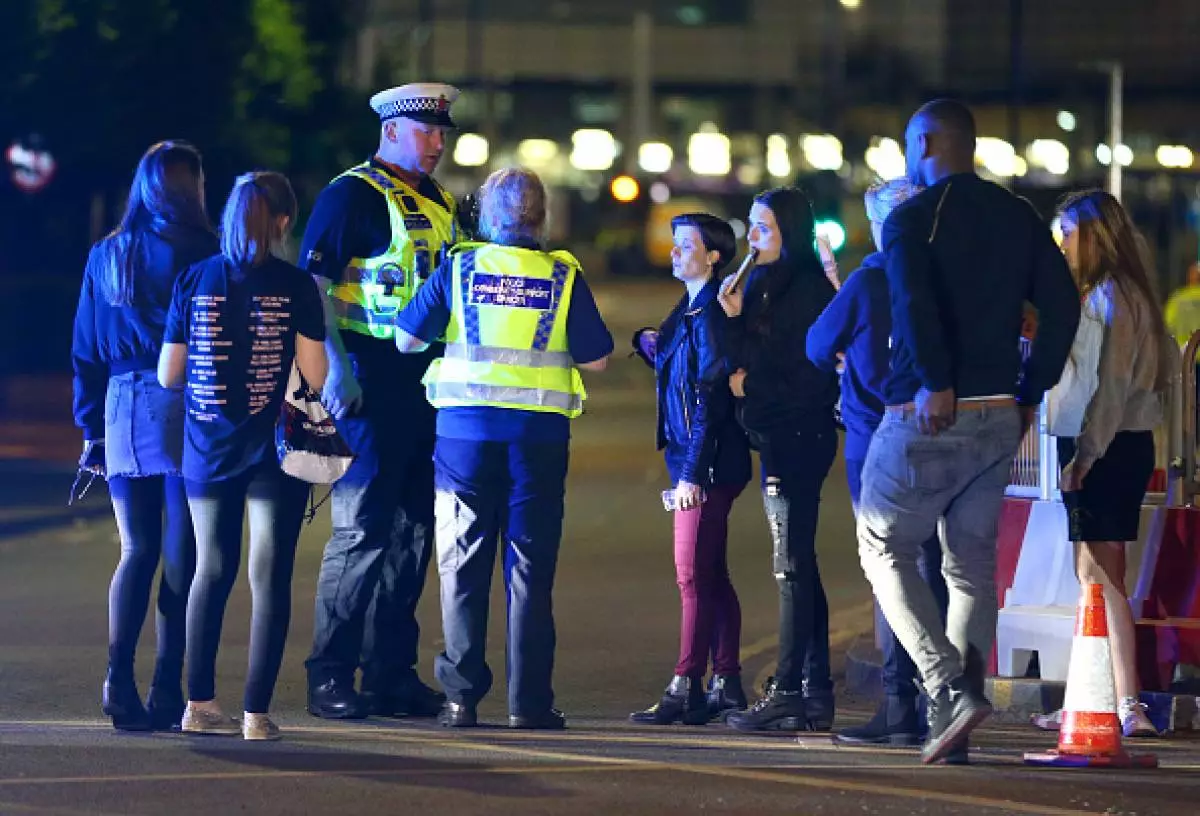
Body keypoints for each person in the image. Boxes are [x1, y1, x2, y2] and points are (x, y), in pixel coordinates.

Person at [855, 99, 1080, 764]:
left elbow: (913, 304)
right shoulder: (1017, 215)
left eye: (905, 144)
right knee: (970, 567)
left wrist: (934, 379)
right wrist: (1032, 389)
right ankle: (956, 717)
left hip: (929, 411)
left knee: (882, 542)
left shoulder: (912, 219)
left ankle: (944, 686)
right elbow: (1062, 303)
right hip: (1000, 416)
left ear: (926, 142)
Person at [393, 167, 613, 729]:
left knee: (462, 566)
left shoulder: (461, 267)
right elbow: (597, 359)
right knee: (530, 571)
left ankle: (460, 699)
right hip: (537, 441)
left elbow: (406, 337)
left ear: (488, 215)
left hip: (464, 440)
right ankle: (528, 704)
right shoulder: (563, 277)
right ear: (541, 219)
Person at [301, 83, 466, 720]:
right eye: (428, 131)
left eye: (442, 132)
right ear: (393, 129)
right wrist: (335, 369)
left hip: (428, 389)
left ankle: (392, 672)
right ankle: (330, 674)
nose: (439, 143)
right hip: (367, 384)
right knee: (360, 531)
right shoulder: (350, 196)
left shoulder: (444, 202)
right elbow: (312, 286)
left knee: (413, 533)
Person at [159, 171, 328, 740]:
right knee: (269, 576)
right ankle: (257, 714)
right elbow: (316, 373)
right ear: (282, 221)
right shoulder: (295, 284)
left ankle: (199, 705)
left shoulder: (193, 279)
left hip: (207, 448)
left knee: (210, 570)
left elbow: (169, 373)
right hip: (273, 451)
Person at [71, 140, 218, 731]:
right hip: (187, 401)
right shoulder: (206, 251)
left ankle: (117, 678)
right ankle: (166, 687)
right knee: (183, 555)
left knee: (136, 550)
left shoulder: (107, 254)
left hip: (122, 404)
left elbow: (84, 349)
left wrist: (90, 429)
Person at [807, 178, 953, 749]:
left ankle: (900, 702)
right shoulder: (948, 280)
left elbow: (819, 345)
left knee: (890, 568)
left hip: (875, 439)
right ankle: (943, 696)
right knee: (937, 567)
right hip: (944, 434)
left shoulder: (868, 280)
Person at [1035, 190, 1176, 738]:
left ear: (1093, 236)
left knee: (1101, 573)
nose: (1063, 244)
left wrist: (1084, 457)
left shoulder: (1107, 299)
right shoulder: (1128, 293)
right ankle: (1093, 697)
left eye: (1068, 233)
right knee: (1093, 573)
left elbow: (1108, 387)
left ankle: (1125, 702)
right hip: (1121, 441)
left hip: (1105, 443)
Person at [716, 187, 841, 733]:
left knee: (789, 565)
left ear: (788, 232)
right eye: (751, 227)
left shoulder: (810, 290)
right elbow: (742, 357)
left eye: (762, 229)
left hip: (799, 436)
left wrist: (751, 382)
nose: (752, 239)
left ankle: (790, 688)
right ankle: (814, 688)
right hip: (776, 433)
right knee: (799, 563)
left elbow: (806, 373)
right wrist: (734, 318)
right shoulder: (763, 286)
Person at [628, 213, 752, 725]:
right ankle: (726, 681)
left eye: (685, 245)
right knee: (711, 574)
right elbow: (683, 367)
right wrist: (649, 344)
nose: (675, 252)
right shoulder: (691, 307)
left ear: (714, 256)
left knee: (691, 577)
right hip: (697, 458)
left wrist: (691, 476)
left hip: (707, 462)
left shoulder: (713, 313)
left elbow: (710, 398)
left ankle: (686, 685)